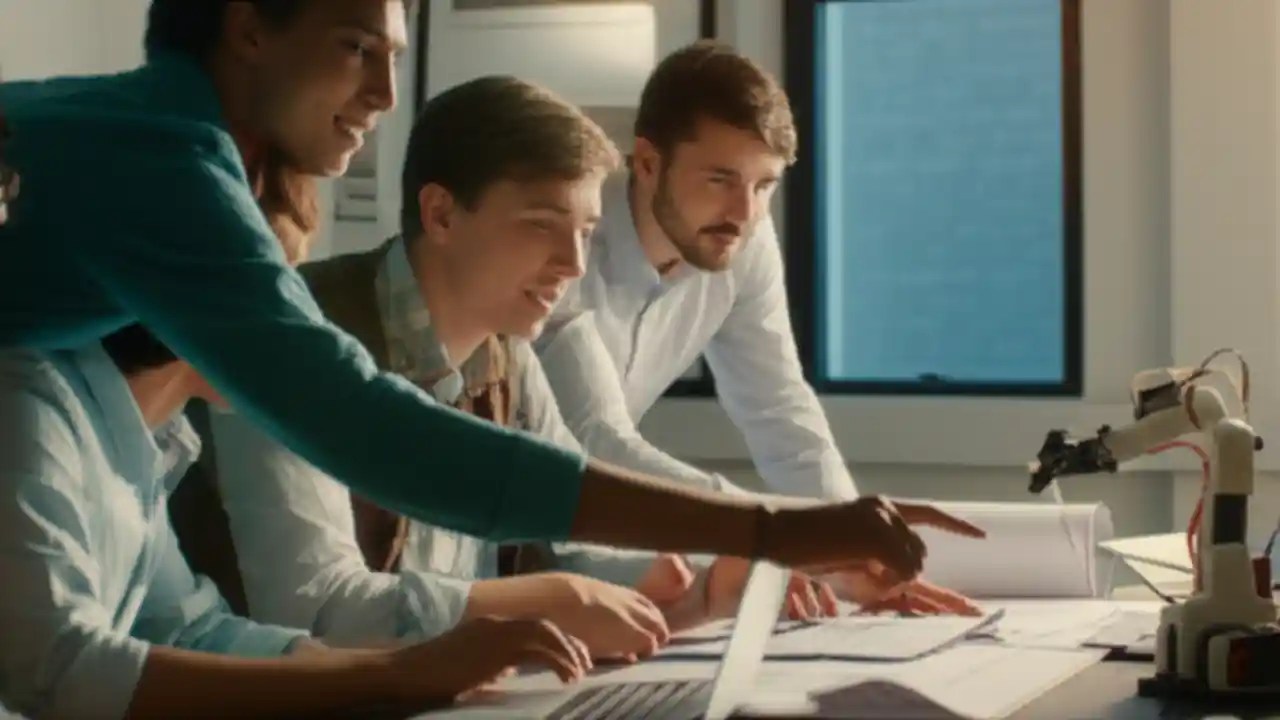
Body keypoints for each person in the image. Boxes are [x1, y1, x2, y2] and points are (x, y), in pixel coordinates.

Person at [0, 0, 975, 590]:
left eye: (394, 54)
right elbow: (372, 429)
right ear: (248, 28)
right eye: (357, 46)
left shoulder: (167, 154)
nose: (386, 94)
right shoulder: (163, 168)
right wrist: (770, 530)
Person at [212, 77, 843, 661]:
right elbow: (318, 613)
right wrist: (536, 604)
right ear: (441, 215)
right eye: (542, 225)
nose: (573, 265)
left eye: (586, 232)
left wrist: (705, 590)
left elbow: (569, 554)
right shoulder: (297, 338)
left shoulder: (509, 357)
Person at [0, 190, 594, 720]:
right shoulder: (30, 405)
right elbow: (63, 673)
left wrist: (410, 667)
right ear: (194, 297)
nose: (300, 322)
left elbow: (188, 630)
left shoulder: (145, 436)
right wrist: (395, 676)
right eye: (279, 291)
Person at [533, 40, 977, 613]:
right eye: (720, 179)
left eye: (764, 185)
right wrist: (796, 532)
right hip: (488, 530)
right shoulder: (567, 241)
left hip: (582, 529)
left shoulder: (742, 239)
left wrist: (852, 550)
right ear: (646, 163)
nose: (744, 213)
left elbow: (777, 404)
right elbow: (597, 441)